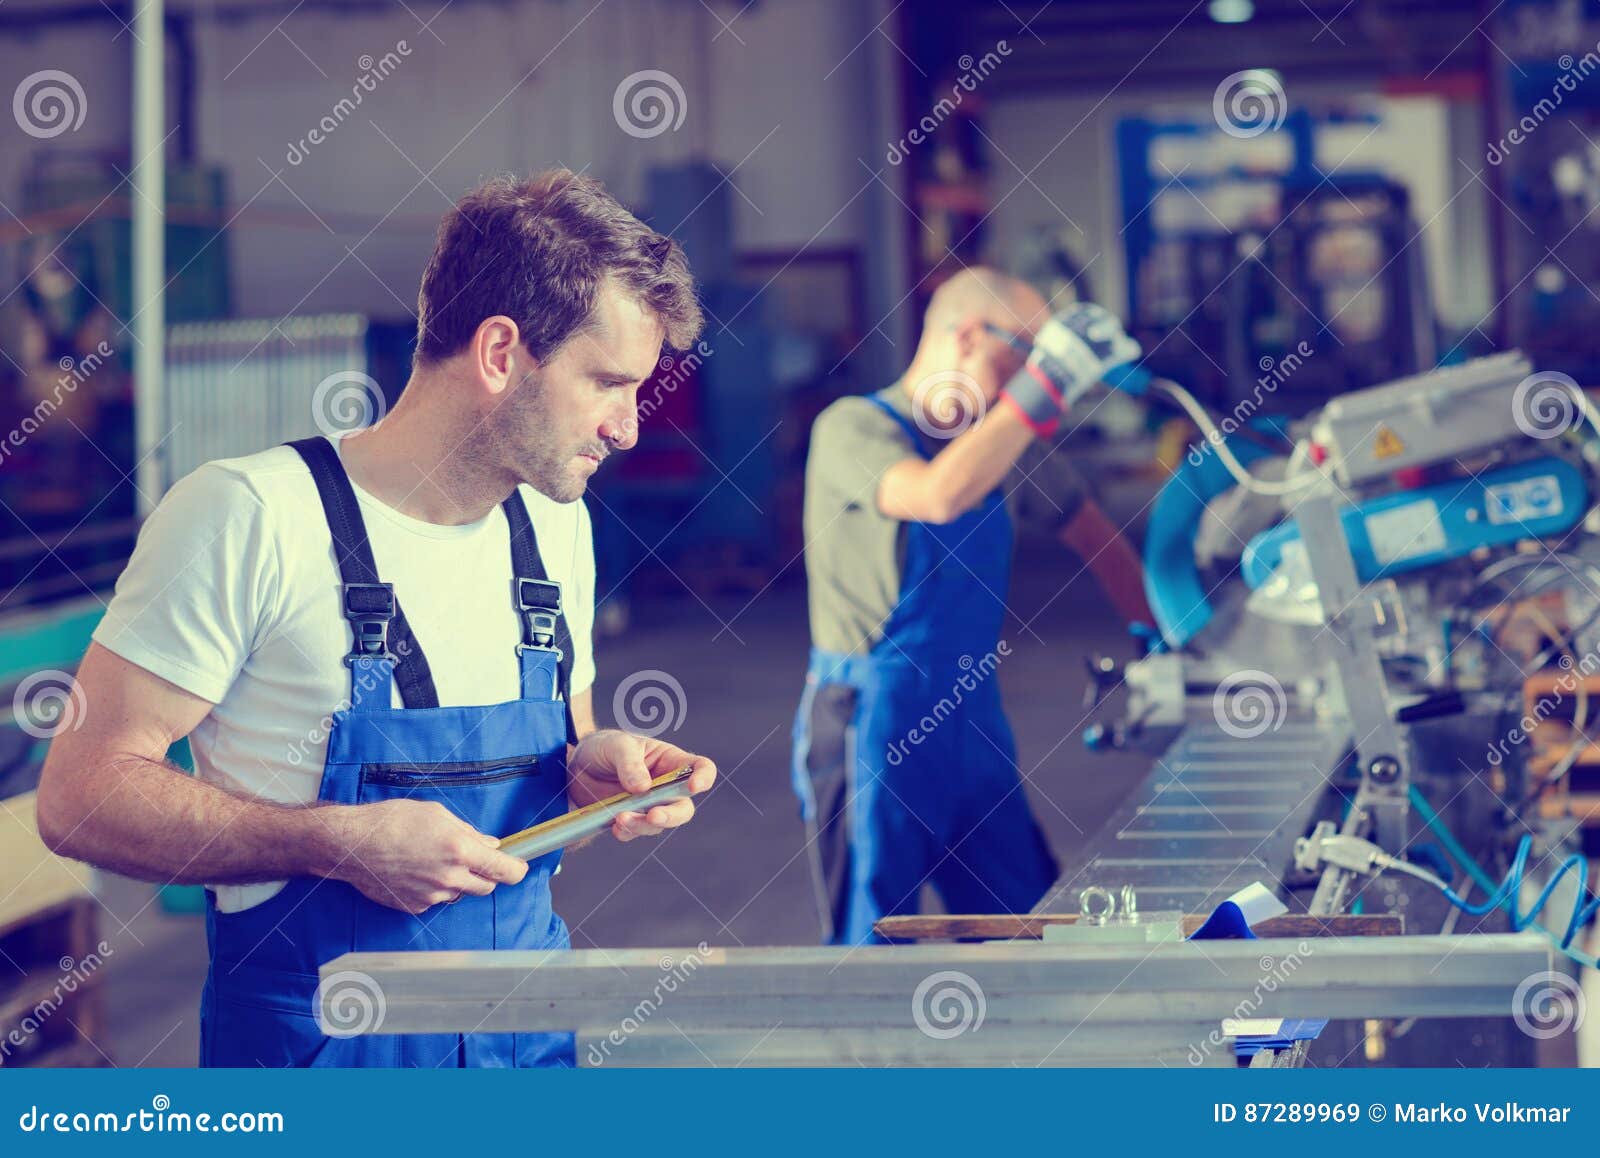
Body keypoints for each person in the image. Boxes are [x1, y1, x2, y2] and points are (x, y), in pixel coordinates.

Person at [36, 170, 717, 1067]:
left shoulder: (559, 528)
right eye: (607, 384)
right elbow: (80, 799)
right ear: (501, 353)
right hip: (328, 1061)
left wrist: (589, 772)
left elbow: (556, 769)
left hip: (524, 1049)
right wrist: (335, 843)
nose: (628, 427)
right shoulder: (251, 516)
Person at [793, 267, 1152, 944]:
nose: (1030, 379)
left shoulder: (1003, 440)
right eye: (1025, 354)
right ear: (965, 337)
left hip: (973, 719)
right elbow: (936, 495)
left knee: (1025, 926)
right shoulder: (852, 428)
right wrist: (1042, 388)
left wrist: (1172, 639)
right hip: (873, 724)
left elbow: (1096, 538)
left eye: (1044, 362)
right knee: (873, 940)